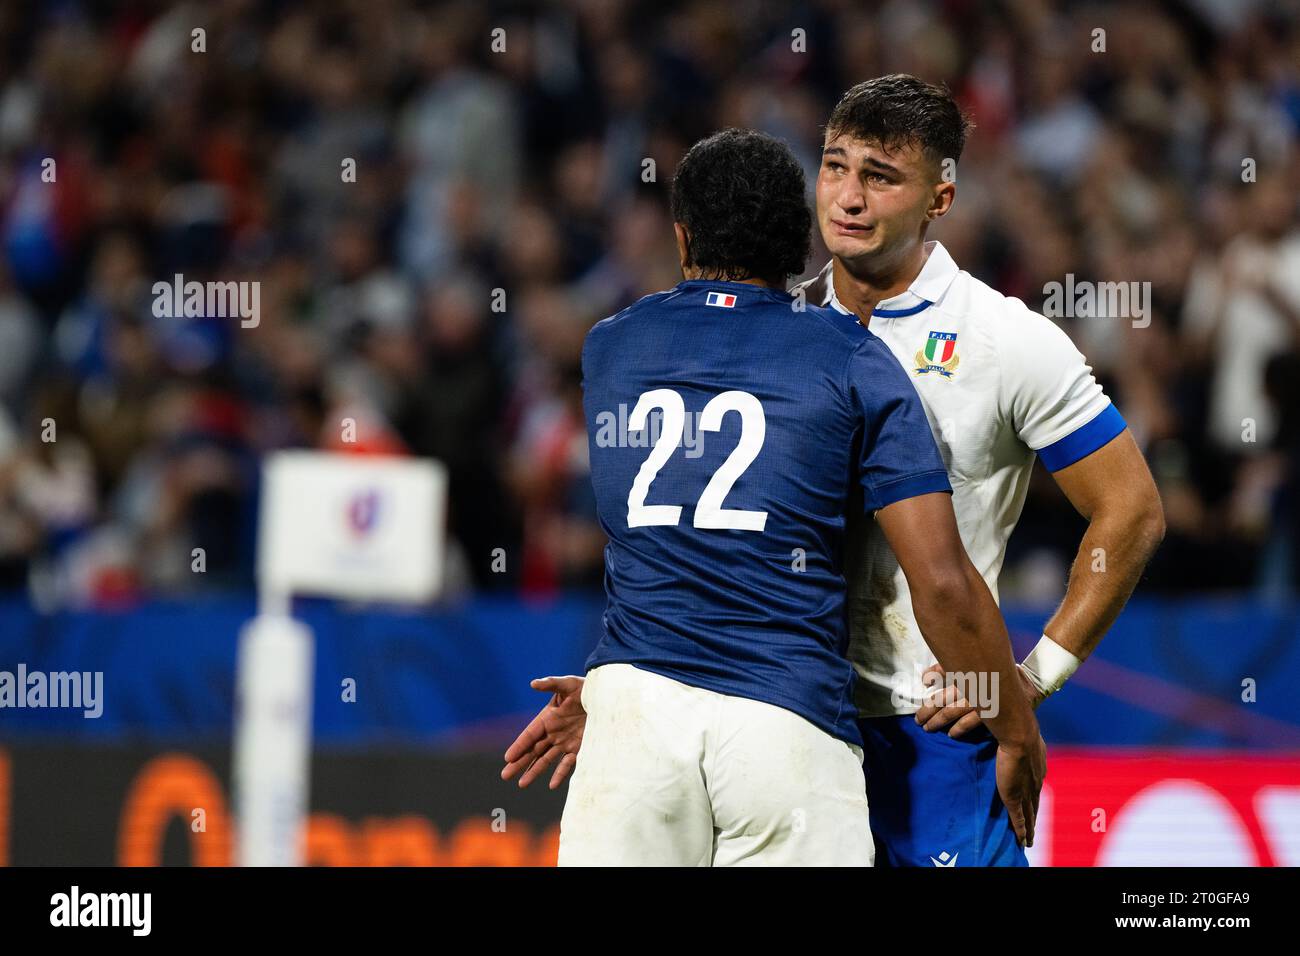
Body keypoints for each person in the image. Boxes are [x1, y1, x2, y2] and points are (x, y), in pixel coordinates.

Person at [506, 76, 1164, 868]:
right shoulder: (783, 325)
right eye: (834, 166)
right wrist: (637, 690)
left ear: (940, 197)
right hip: (784, 719)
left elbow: (1130, 511)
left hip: (929, 732)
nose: (848, 198)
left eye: (881, 177)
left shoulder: (1005, 340)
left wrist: (1030, 681)